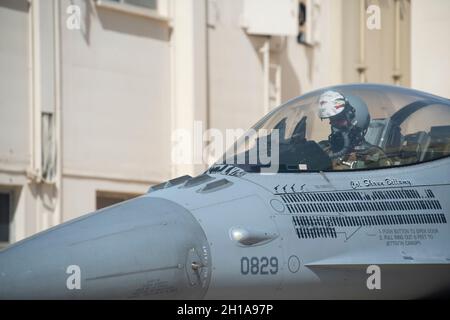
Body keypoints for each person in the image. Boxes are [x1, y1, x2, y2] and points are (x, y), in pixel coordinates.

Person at [317, 90, 390, 170]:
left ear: (356, 119)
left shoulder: (373, 155)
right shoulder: (323, 150)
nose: (334, 125)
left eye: (339, 119)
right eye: (332, 120)